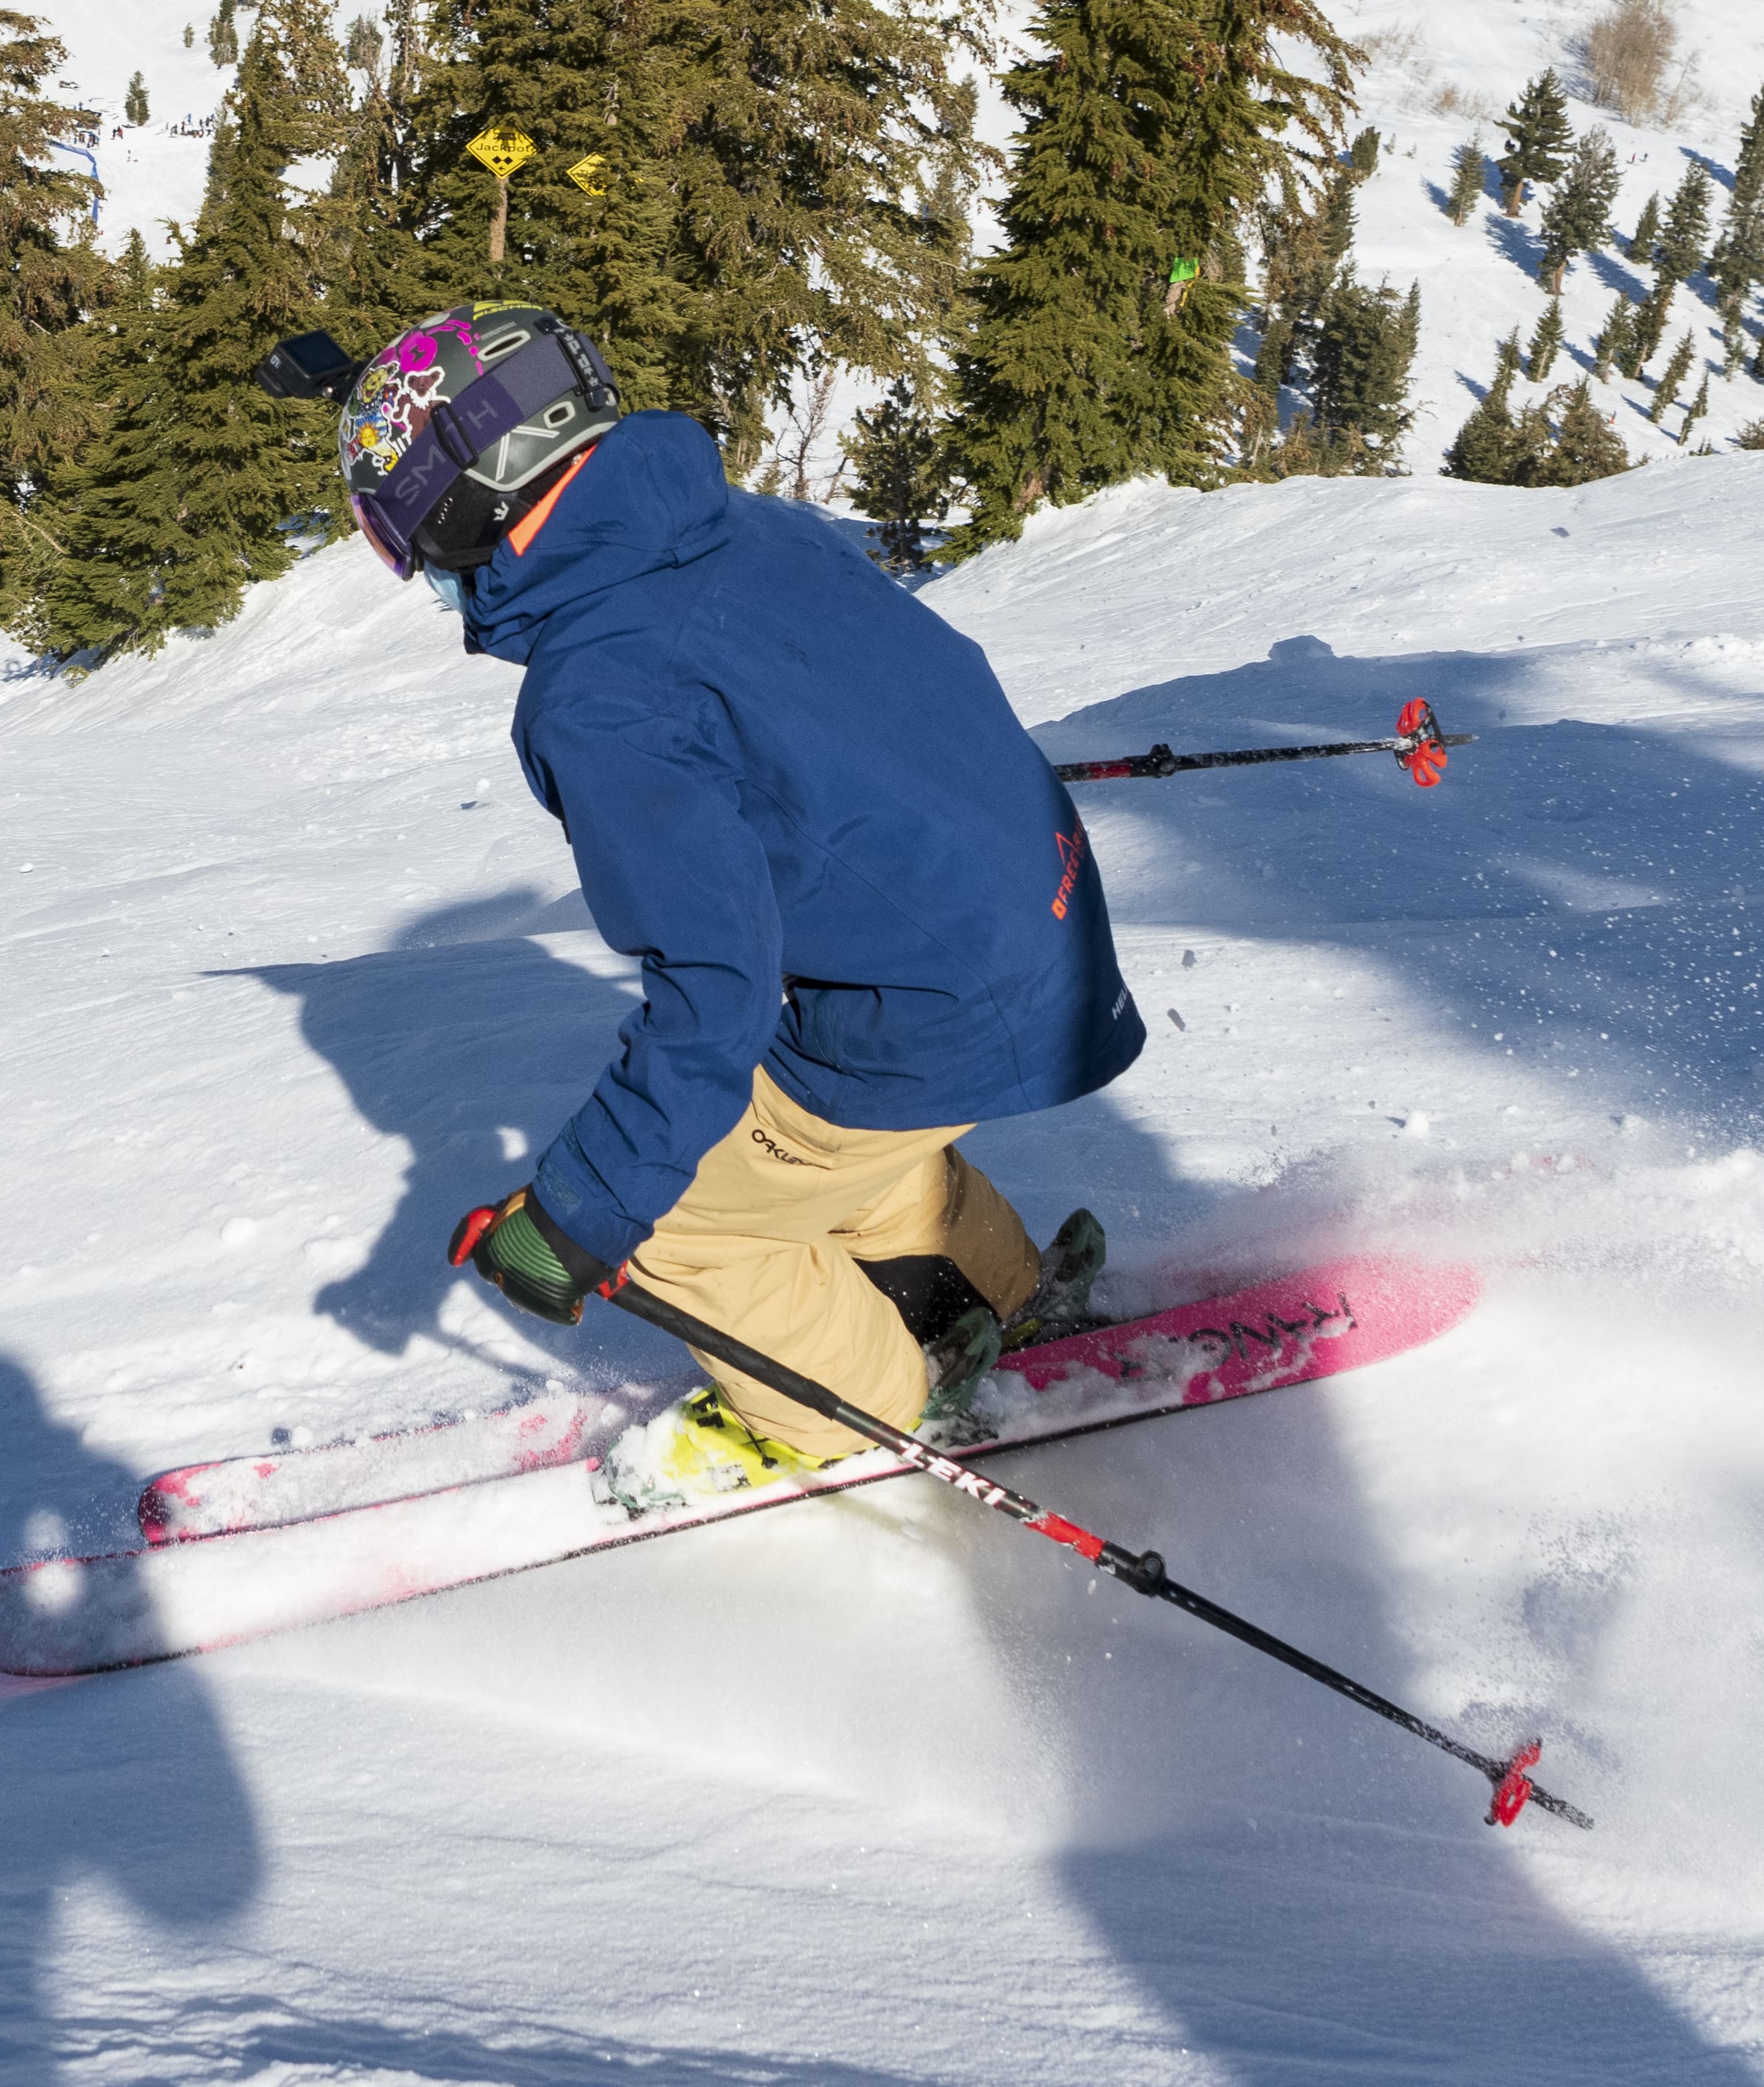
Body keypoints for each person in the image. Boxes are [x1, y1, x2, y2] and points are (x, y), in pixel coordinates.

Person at [310, 301, 1143, 1485]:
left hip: (937, 998)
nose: (419, 575)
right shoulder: (737, 527)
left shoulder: (601, 687)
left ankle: (864, 1420)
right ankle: (999, 1288)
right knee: (803, 1120)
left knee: (687, 1228)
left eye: (399, 538)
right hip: (1033, 913)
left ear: (461, 502)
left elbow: (714, 993)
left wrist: (579, 1216)